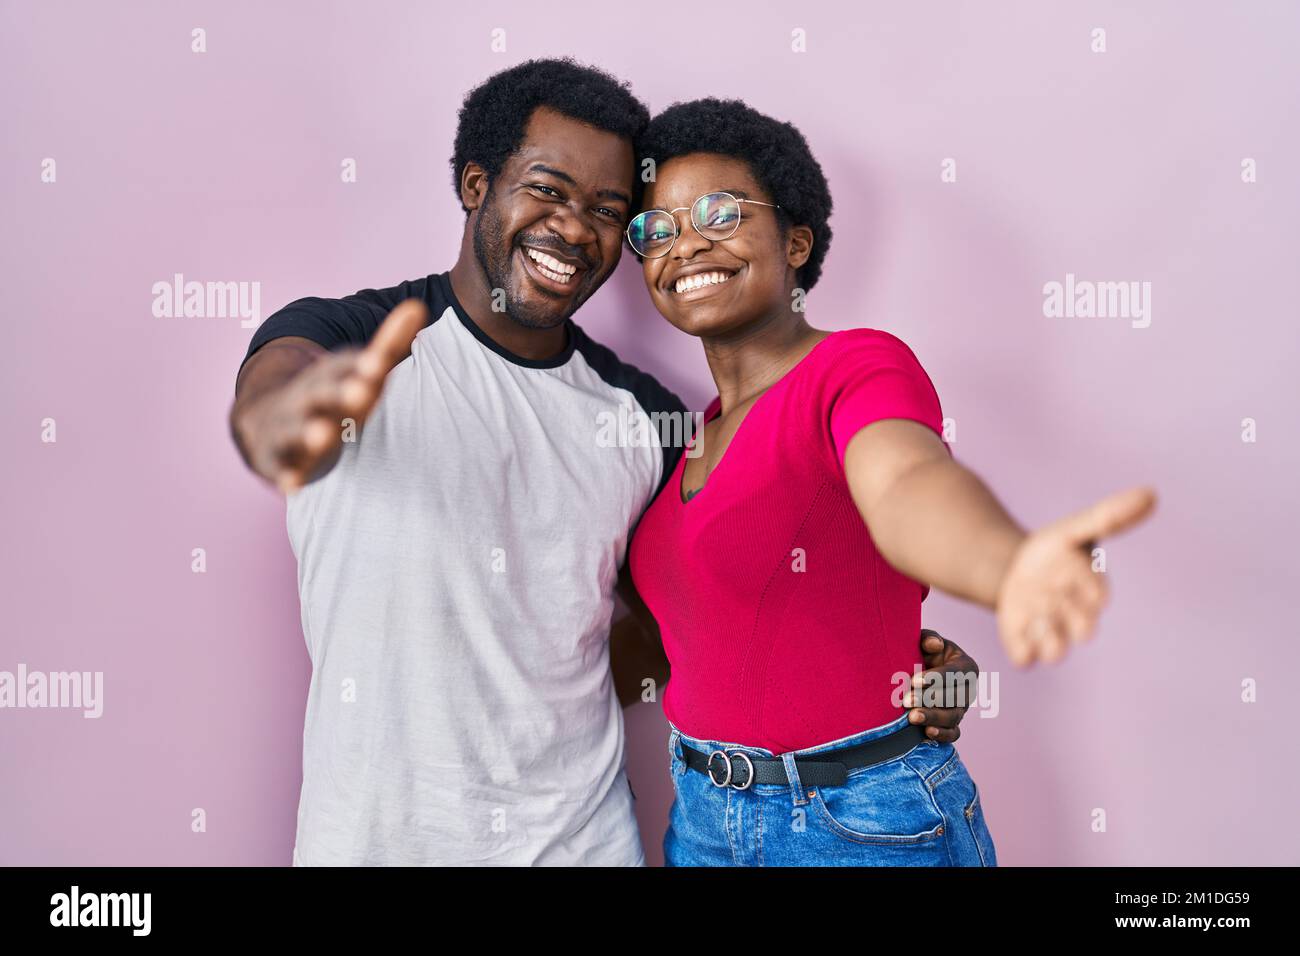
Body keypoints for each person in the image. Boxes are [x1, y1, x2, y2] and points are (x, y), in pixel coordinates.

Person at [229, 60, 978, 865]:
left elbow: (701, 606)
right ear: (477, 183)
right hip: (374, 844)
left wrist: (899, 668)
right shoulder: (351, 342)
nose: (576, 228)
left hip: (583, 843)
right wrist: (283, 423)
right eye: (547, 190)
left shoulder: (648, 419)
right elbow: (270, 401)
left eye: (608, 211)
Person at [625, 98, 1156, 866]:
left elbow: (904, 479)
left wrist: (1005, 564)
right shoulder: (687, 437)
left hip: (861, 823)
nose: (686, 244)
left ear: (795, 239)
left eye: (719, 212)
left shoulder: (852, 367)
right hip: (704, 818)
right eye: (657, 230)